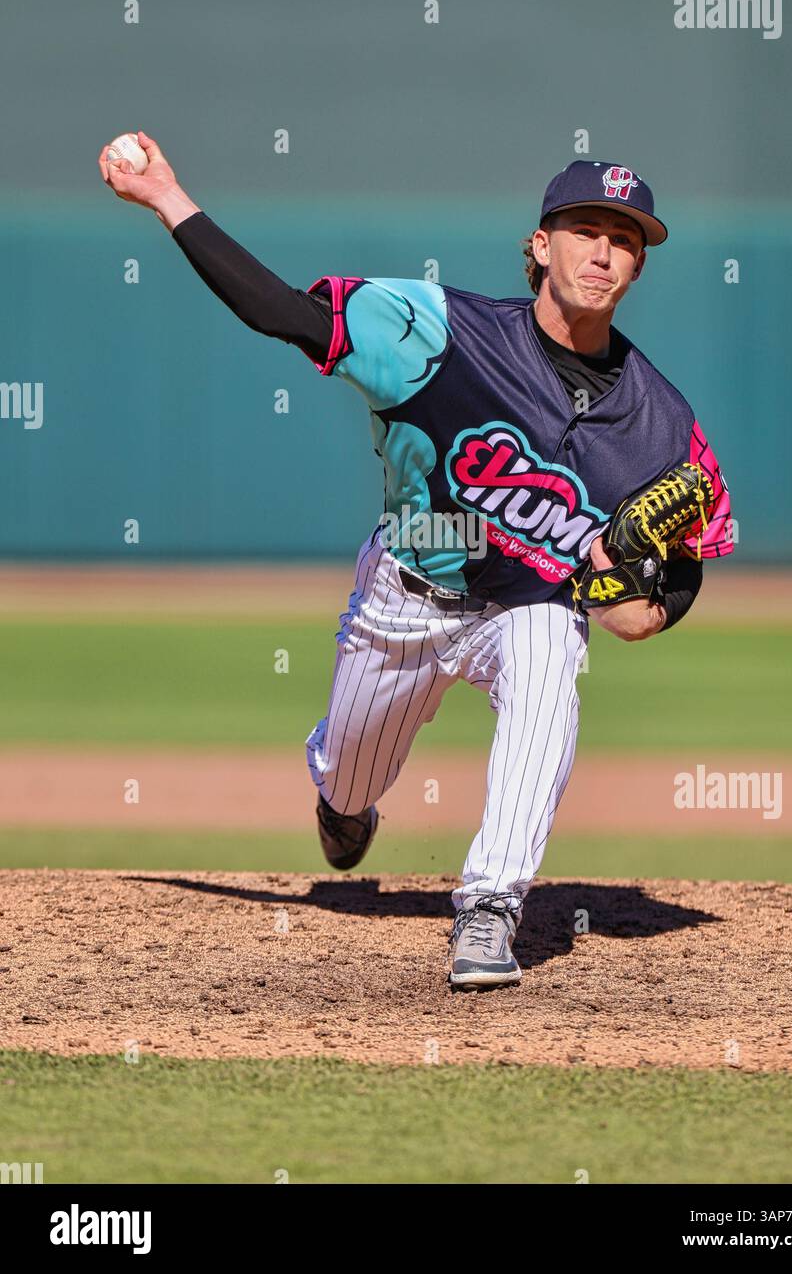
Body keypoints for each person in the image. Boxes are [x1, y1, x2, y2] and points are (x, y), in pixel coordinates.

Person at [99, 136, 732, 989]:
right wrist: (169, 198)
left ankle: (489, 908)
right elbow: (284, 314)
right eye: (586, 229)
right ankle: (341, 801)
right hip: (403, 598)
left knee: (551, 656)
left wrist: (655, 607)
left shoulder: (661, 422)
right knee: (351, 776)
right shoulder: (437, 332)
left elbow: (686, 555)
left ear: (636, 269)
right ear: (540, 245)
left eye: (625, 240)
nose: (604, 252)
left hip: (525, 606)